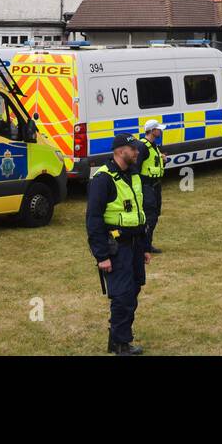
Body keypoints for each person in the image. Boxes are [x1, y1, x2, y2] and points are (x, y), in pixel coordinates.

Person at [87, 135, 153, 355]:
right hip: (116, 246)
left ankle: (117, 338)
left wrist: (144, 246)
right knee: (123, 296)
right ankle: (120, 344)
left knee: (133, 291)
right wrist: (101, 256)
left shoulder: (133, 175)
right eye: (133, 149)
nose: (137, 152)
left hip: (134, 244)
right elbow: (93, 220)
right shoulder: (103, 179)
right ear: (119, 151)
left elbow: (137, 214)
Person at [135, 121, 166, 254]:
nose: (160, 131)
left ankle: (147, 244)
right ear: (152, 130)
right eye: (158, 129)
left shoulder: (153, 145)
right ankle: (143, 246)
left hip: (155, 185)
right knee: (150, 216)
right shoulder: (142, 146)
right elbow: (136, 167)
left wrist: (163, 160)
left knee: (155, 214)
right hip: (146, 185)